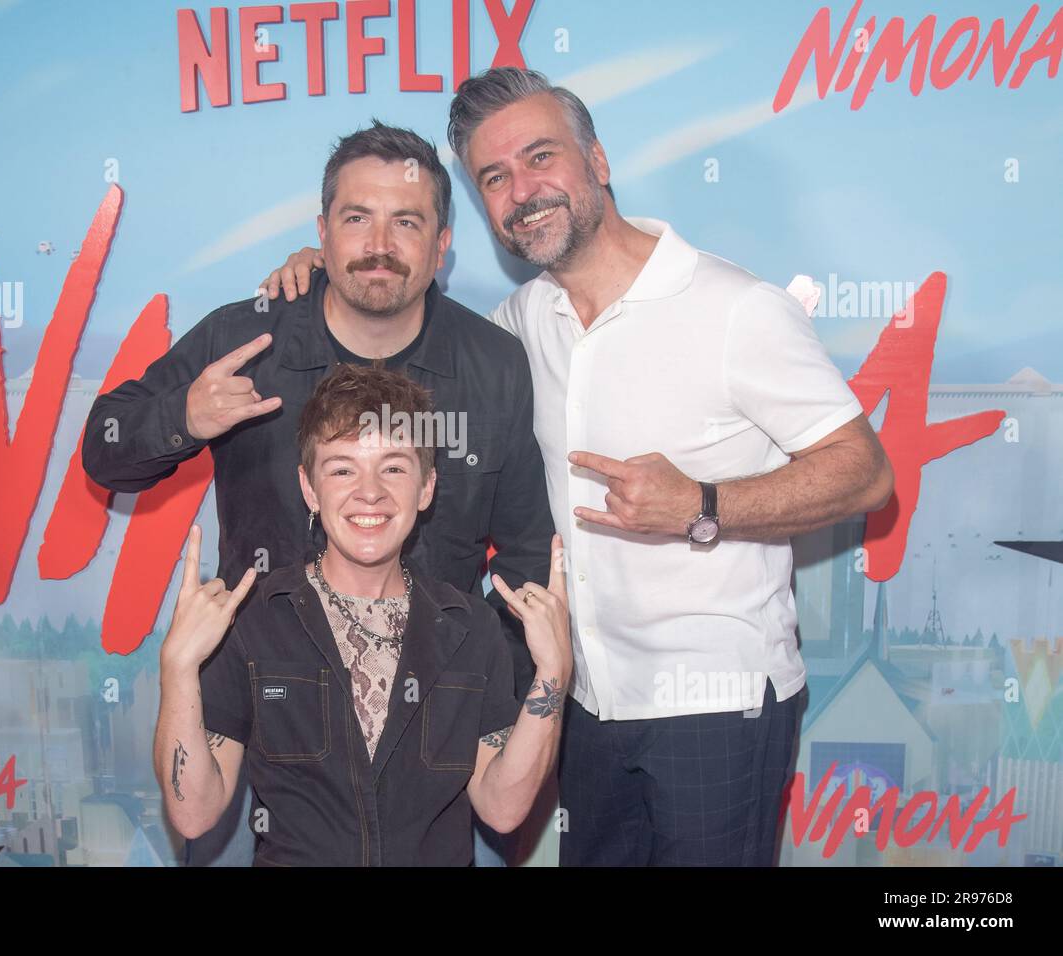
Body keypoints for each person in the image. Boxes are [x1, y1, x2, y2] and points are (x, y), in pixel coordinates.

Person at [259, 68, 895, 866]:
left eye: (540, 158)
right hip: (584, 705)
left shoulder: (734, 307)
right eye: (495, 178)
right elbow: (398, 325)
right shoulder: (518, 327)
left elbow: (865, 474)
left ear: (596, 158)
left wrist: (700, 503)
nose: (523, 190)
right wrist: (324, 271)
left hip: (716, 702)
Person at [82, 120, 554, 865]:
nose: (378, 244)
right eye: (356, 218)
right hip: (268, 710)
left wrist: (480, 690)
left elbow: (529, 557)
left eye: (407, 222)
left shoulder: (491, 365)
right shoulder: (249, 344)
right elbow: (104, 450)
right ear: (322, 233)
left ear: (441, 247)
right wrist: (183, 416)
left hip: (428, 734)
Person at [153, 364, 570, 865]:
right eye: (342, 468)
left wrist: (553, 674)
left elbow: (503, 809)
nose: (369, 492)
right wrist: (177, 668)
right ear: (310, 488)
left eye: (393, 467)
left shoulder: (471, 627)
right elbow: (193, 814)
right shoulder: (253, 622)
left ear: (426, 487)